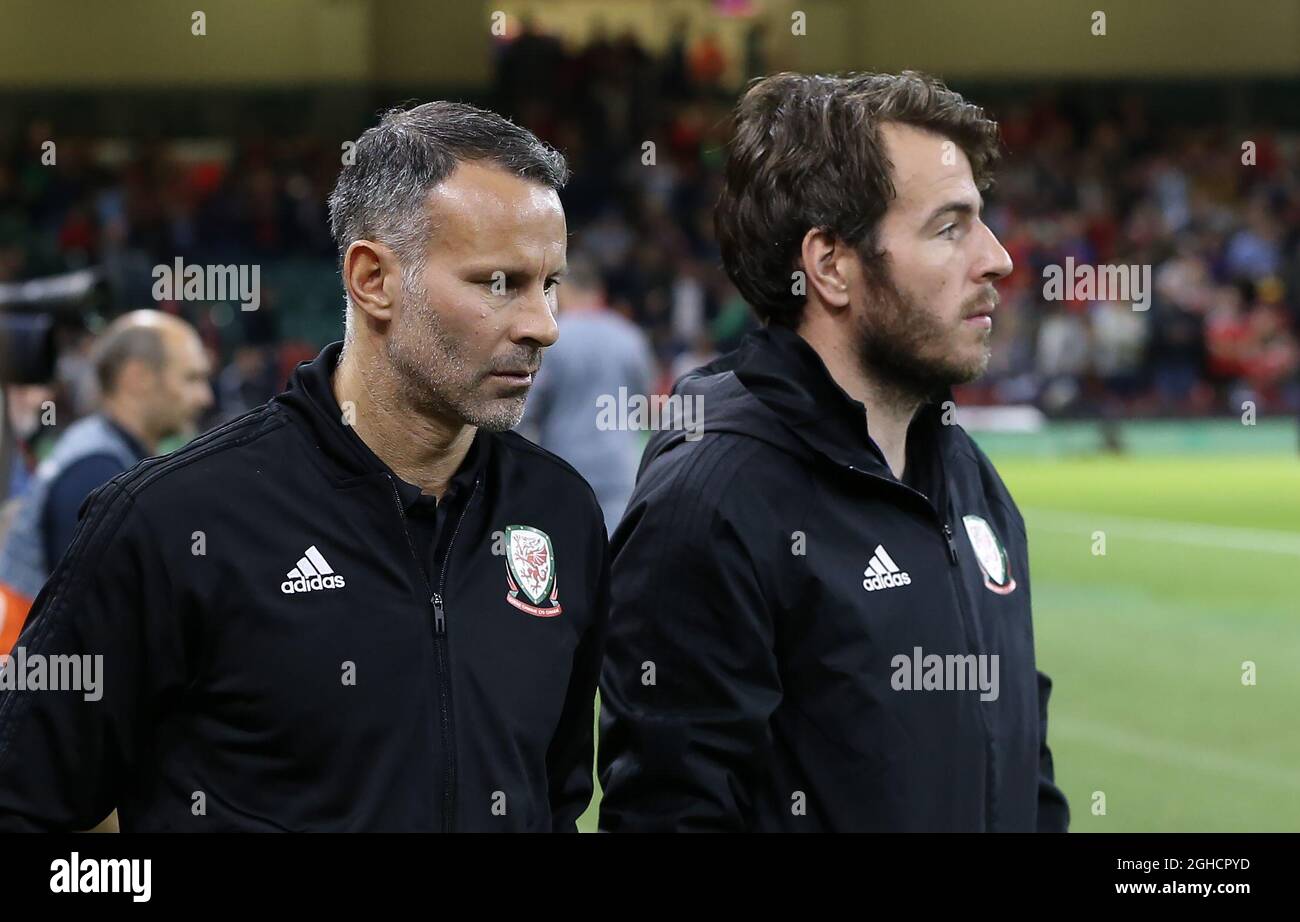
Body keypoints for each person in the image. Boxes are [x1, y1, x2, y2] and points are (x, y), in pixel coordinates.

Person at [0, 101, 609, 832]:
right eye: (498, 283)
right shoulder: (173, 523)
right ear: (372, 279)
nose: (542, 324)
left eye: (549, 283)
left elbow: (560, 803)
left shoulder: (561, 514)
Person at [598, 71, 1069, 832]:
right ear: (830, 266)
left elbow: (1024, 766)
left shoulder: (963, 472)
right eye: (949, 228)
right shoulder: (714, 500)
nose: (997, 259)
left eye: (981, 221)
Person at [0, 311, 212, 654]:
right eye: (191, 378)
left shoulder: (103, 454)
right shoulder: (95, 471)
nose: (205, 397)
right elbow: (87, 631)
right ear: (137, 377)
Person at [520, 255, 655, 533]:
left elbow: (526, 409)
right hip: (619, 469)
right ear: (599, 292)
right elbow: (646, 405)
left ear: (565, 291)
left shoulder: (552, 339)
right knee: (613, 563)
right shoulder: (630, 337)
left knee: (569, 563)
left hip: (564, 468)